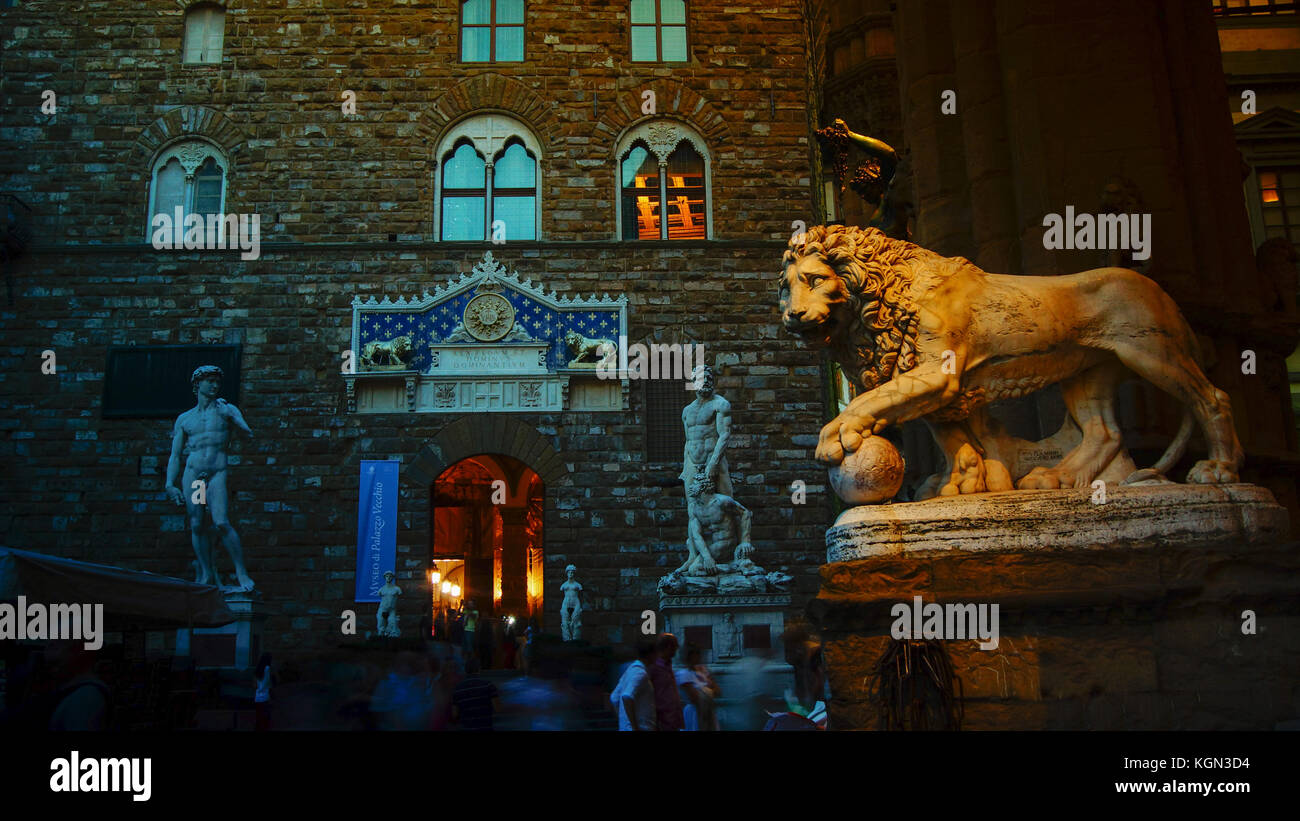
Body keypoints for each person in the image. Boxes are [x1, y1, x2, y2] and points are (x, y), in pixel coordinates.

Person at [164, 365, 255, 591]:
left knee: (221, 521)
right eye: (209, 381)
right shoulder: (185, 419)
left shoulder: (226, 409)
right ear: (198, 385)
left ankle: (241, 573)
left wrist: (233, 418)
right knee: (196, 524)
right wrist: (169, 484)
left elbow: (248, 435)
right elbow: (175, 455)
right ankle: (205, 573)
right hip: (195, 476)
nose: (214, 385)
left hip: (216, 473)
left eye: (217, 382)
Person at [609, 638, 657, 731]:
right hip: (642, 727)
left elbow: (614, 698)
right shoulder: (640, 673)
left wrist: (623, 720)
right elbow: (627, 696)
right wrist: (634, 727)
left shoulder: (630, 670)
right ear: (651, 654)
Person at [676, 645, 720, 731]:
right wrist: (708, 689)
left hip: (708, 710)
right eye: (693, 655)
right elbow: (694, 698)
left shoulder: (703, 670)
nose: (696, 657)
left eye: (697, 654)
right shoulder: (683, 674)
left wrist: (703, 691)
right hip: (694, 713)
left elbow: (718, 691)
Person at [451, 656, 499, 731]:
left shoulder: (457, 689)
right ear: (479, 669)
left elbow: (454, 714)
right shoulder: (488, 685)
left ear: (466, 670)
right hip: (485, 728)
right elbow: (498, 708)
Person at [648, 633, 684, 731]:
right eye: (675, 647)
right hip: (662, 719)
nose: (676, 651)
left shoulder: (668, 665)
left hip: (672, 718)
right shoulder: (653, 667)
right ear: (669, 647)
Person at [253, 653, 274, 731]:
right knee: (265, 717)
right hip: (265, 696)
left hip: (257, 697)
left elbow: (254, 685)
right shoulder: (268, 669)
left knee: (259, 717)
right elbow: (269, 683)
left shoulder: (258, 669)